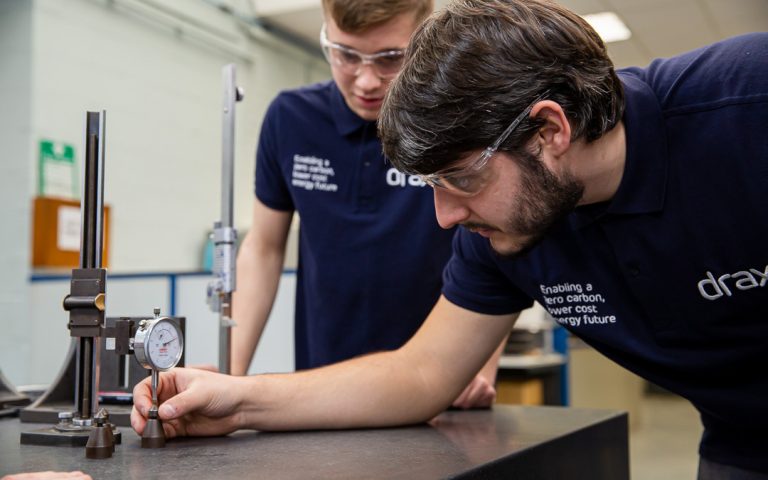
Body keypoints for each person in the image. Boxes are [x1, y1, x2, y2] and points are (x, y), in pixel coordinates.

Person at [133, 1, 767, 478]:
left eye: (460, 177)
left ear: (548, 130)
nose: (442, 217)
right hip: (743, 443)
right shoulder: (502, 232)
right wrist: (237, 401)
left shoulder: (746, 107)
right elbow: (422, 372)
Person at [230, 0, 502, 409]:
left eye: (390, 57)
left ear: (424, 37)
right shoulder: (290, 119)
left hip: (441, 386)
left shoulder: (458, 122)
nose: (366, 80)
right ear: (326, 32)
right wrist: (230, 376)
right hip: (319, 385)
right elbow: (264, 249)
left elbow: (493, 244)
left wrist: (480, 366)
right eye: (346, 55)